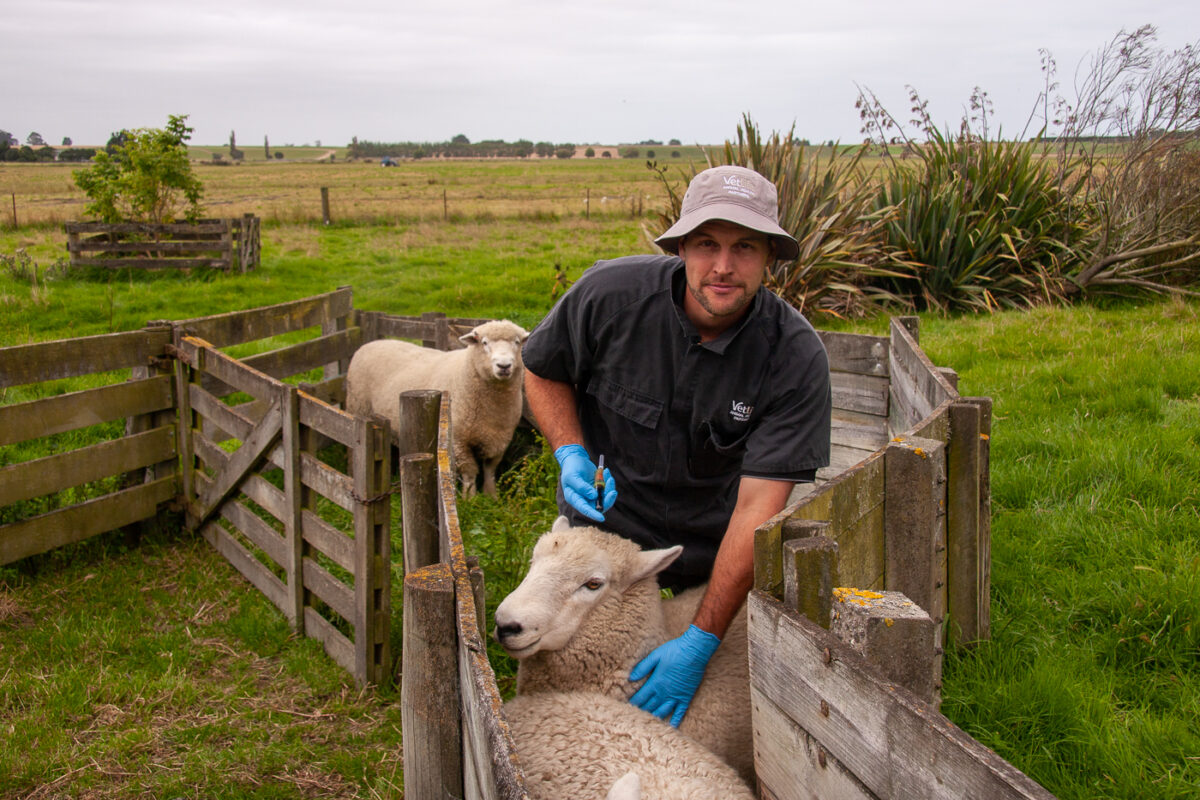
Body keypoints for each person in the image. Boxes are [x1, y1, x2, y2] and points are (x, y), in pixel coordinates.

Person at [521, 164, 832, 727]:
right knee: (566, 703)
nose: (723, 266)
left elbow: (759, 510)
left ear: (770, 258)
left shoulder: (793, 358)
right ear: (682, 245)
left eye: (745, 247)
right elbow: (542, 369)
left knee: (697, 723)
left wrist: (701, 640)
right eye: (707, 243)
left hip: (713, 557)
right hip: (603, 547)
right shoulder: (607, 296)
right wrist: (570, 451)